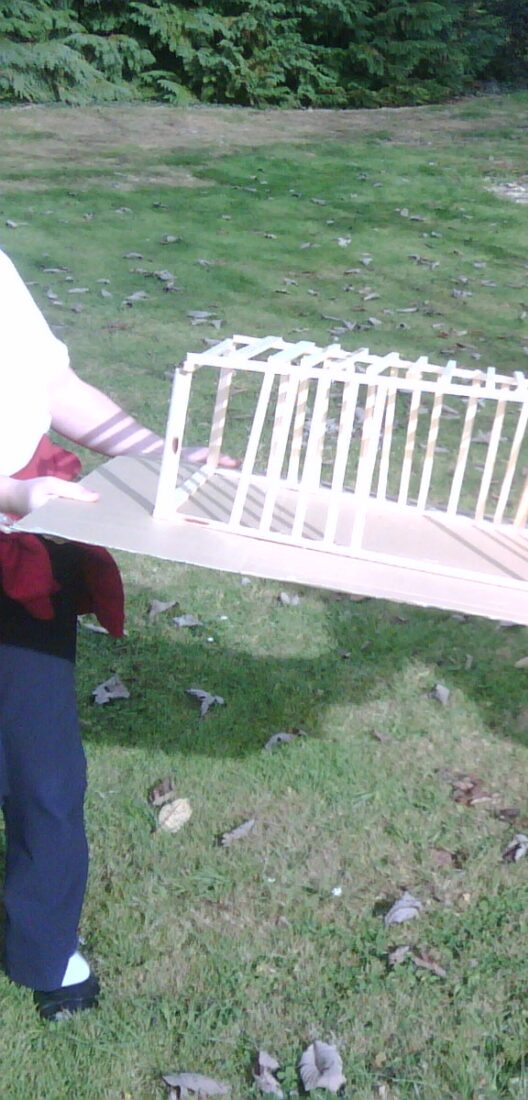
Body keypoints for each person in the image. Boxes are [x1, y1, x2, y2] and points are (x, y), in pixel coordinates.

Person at [0, 246, 222, 1018]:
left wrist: (157, 454)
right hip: (17, 503)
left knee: (43, 771)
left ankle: (42, 943)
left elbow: (50, 383)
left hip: (19, 543)